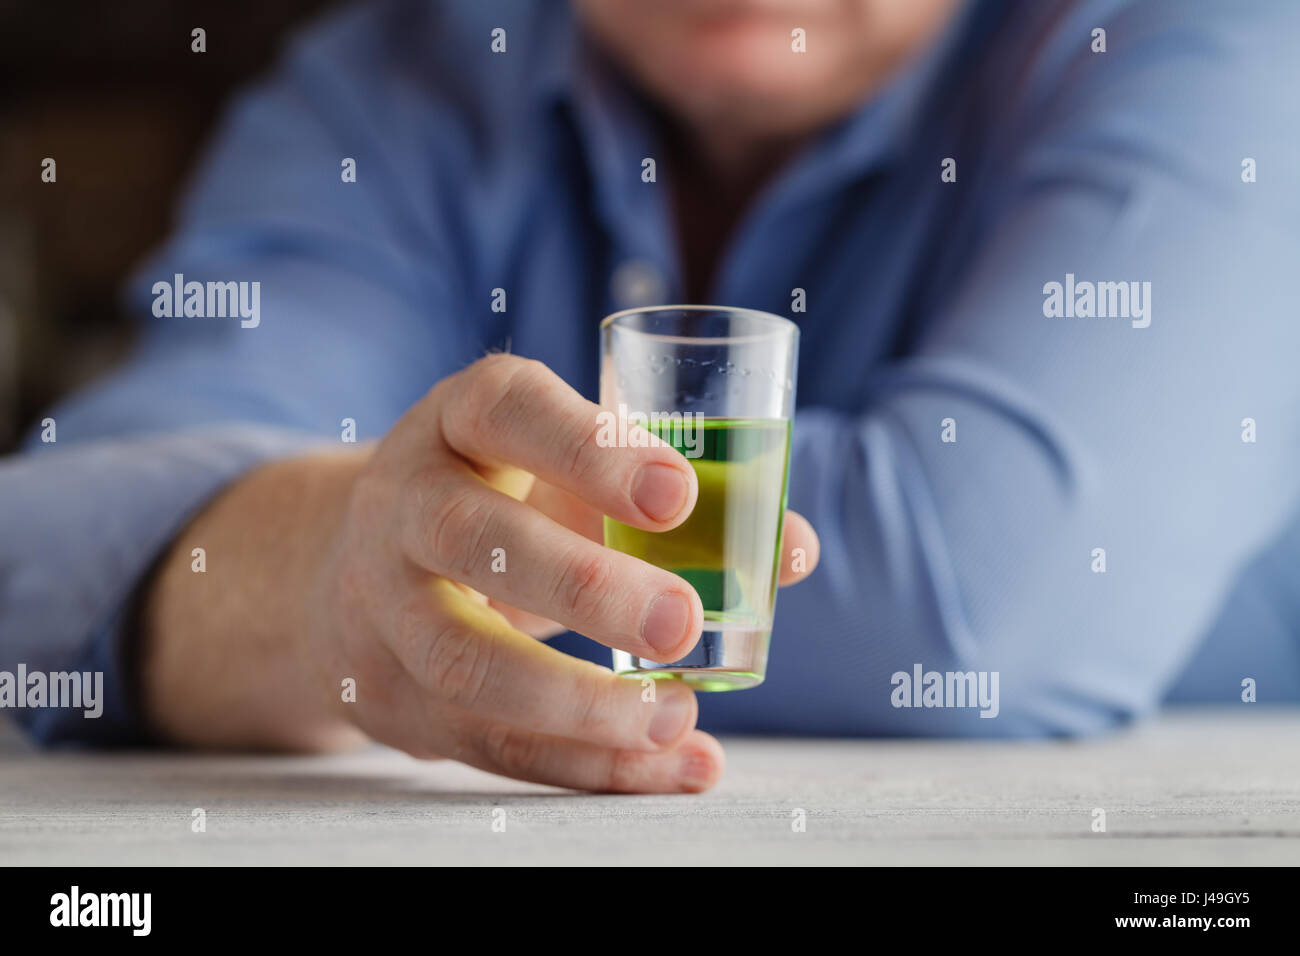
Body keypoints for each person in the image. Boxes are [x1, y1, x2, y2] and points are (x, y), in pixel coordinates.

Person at [4, 0, 1299, 793]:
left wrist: (433, 556)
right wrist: (341, 567)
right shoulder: (392, 80)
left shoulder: (1216, 47)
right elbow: (43, 549)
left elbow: (981, 598)